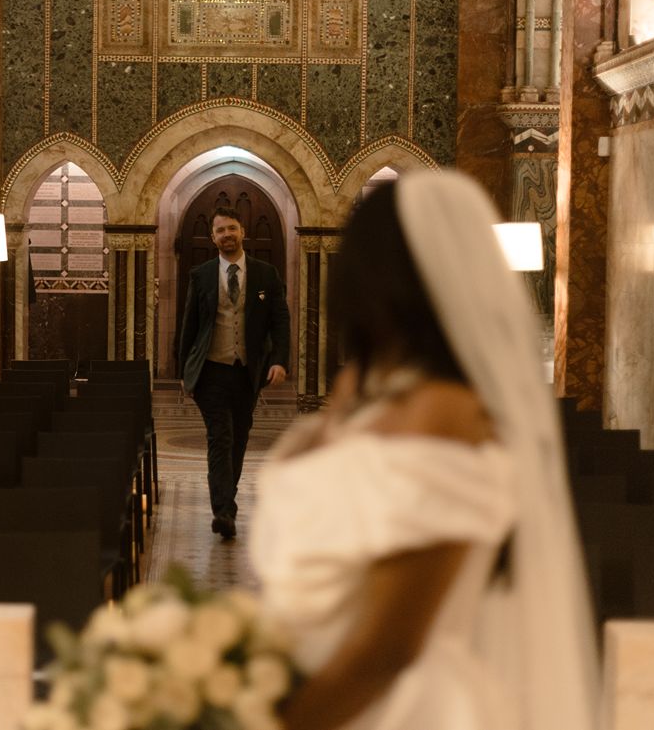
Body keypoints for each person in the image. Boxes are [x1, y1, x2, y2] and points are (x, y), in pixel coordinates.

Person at [250, 172, 599, 730]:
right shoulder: (358, 392)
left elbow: (389, 649)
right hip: (298, 678)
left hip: (395, 706)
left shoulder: (449, 411)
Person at [179, 206, 291, 540]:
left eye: (232, 228)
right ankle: (224, 512)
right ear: (212, 238)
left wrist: (279, 360)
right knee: (220, 437)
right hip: (211, 370)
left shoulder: (266, 274)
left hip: (247, 371)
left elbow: (280, 321)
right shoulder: (201, 275)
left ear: (242, 232)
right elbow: (189, 326)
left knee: (239, 439)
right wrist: (185, 372)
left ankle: (227, 500)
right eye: (220, 231)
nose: (226, 235)